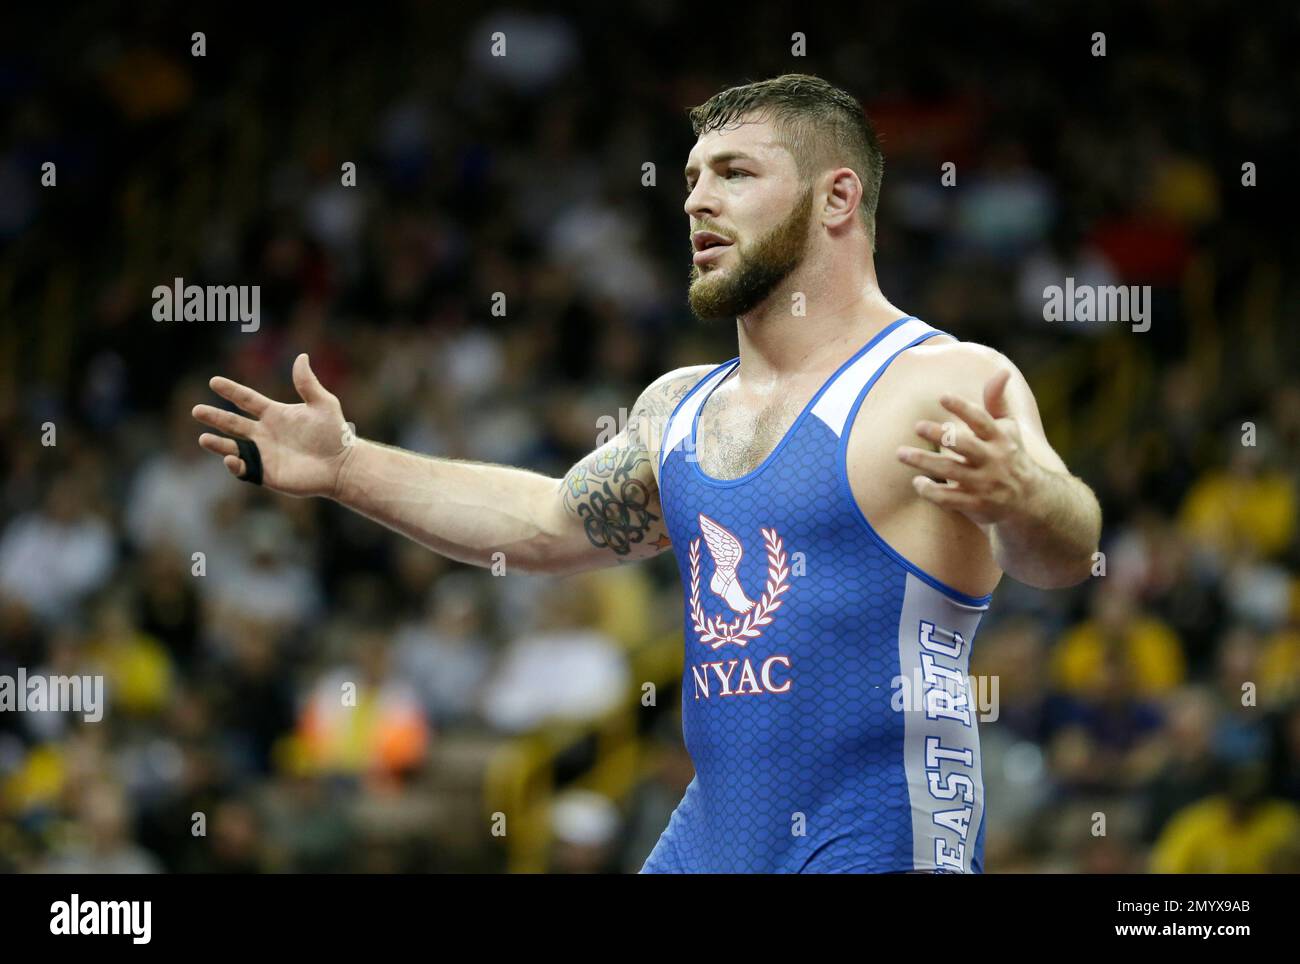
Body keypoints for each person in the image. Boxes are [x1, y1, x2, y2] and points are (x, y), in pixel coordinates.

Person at [193, 73, 1101, 873]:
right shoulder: (680, 408)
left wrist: (1024, 496)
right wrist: (347, 466)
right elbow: (548, 525)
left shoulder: (941, 378)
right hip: (716, 835)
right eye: (692, 179)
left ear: (837, 197)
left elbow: (1062, 553)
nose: (696, 202)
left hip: (880, 833)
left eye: (735, 174)